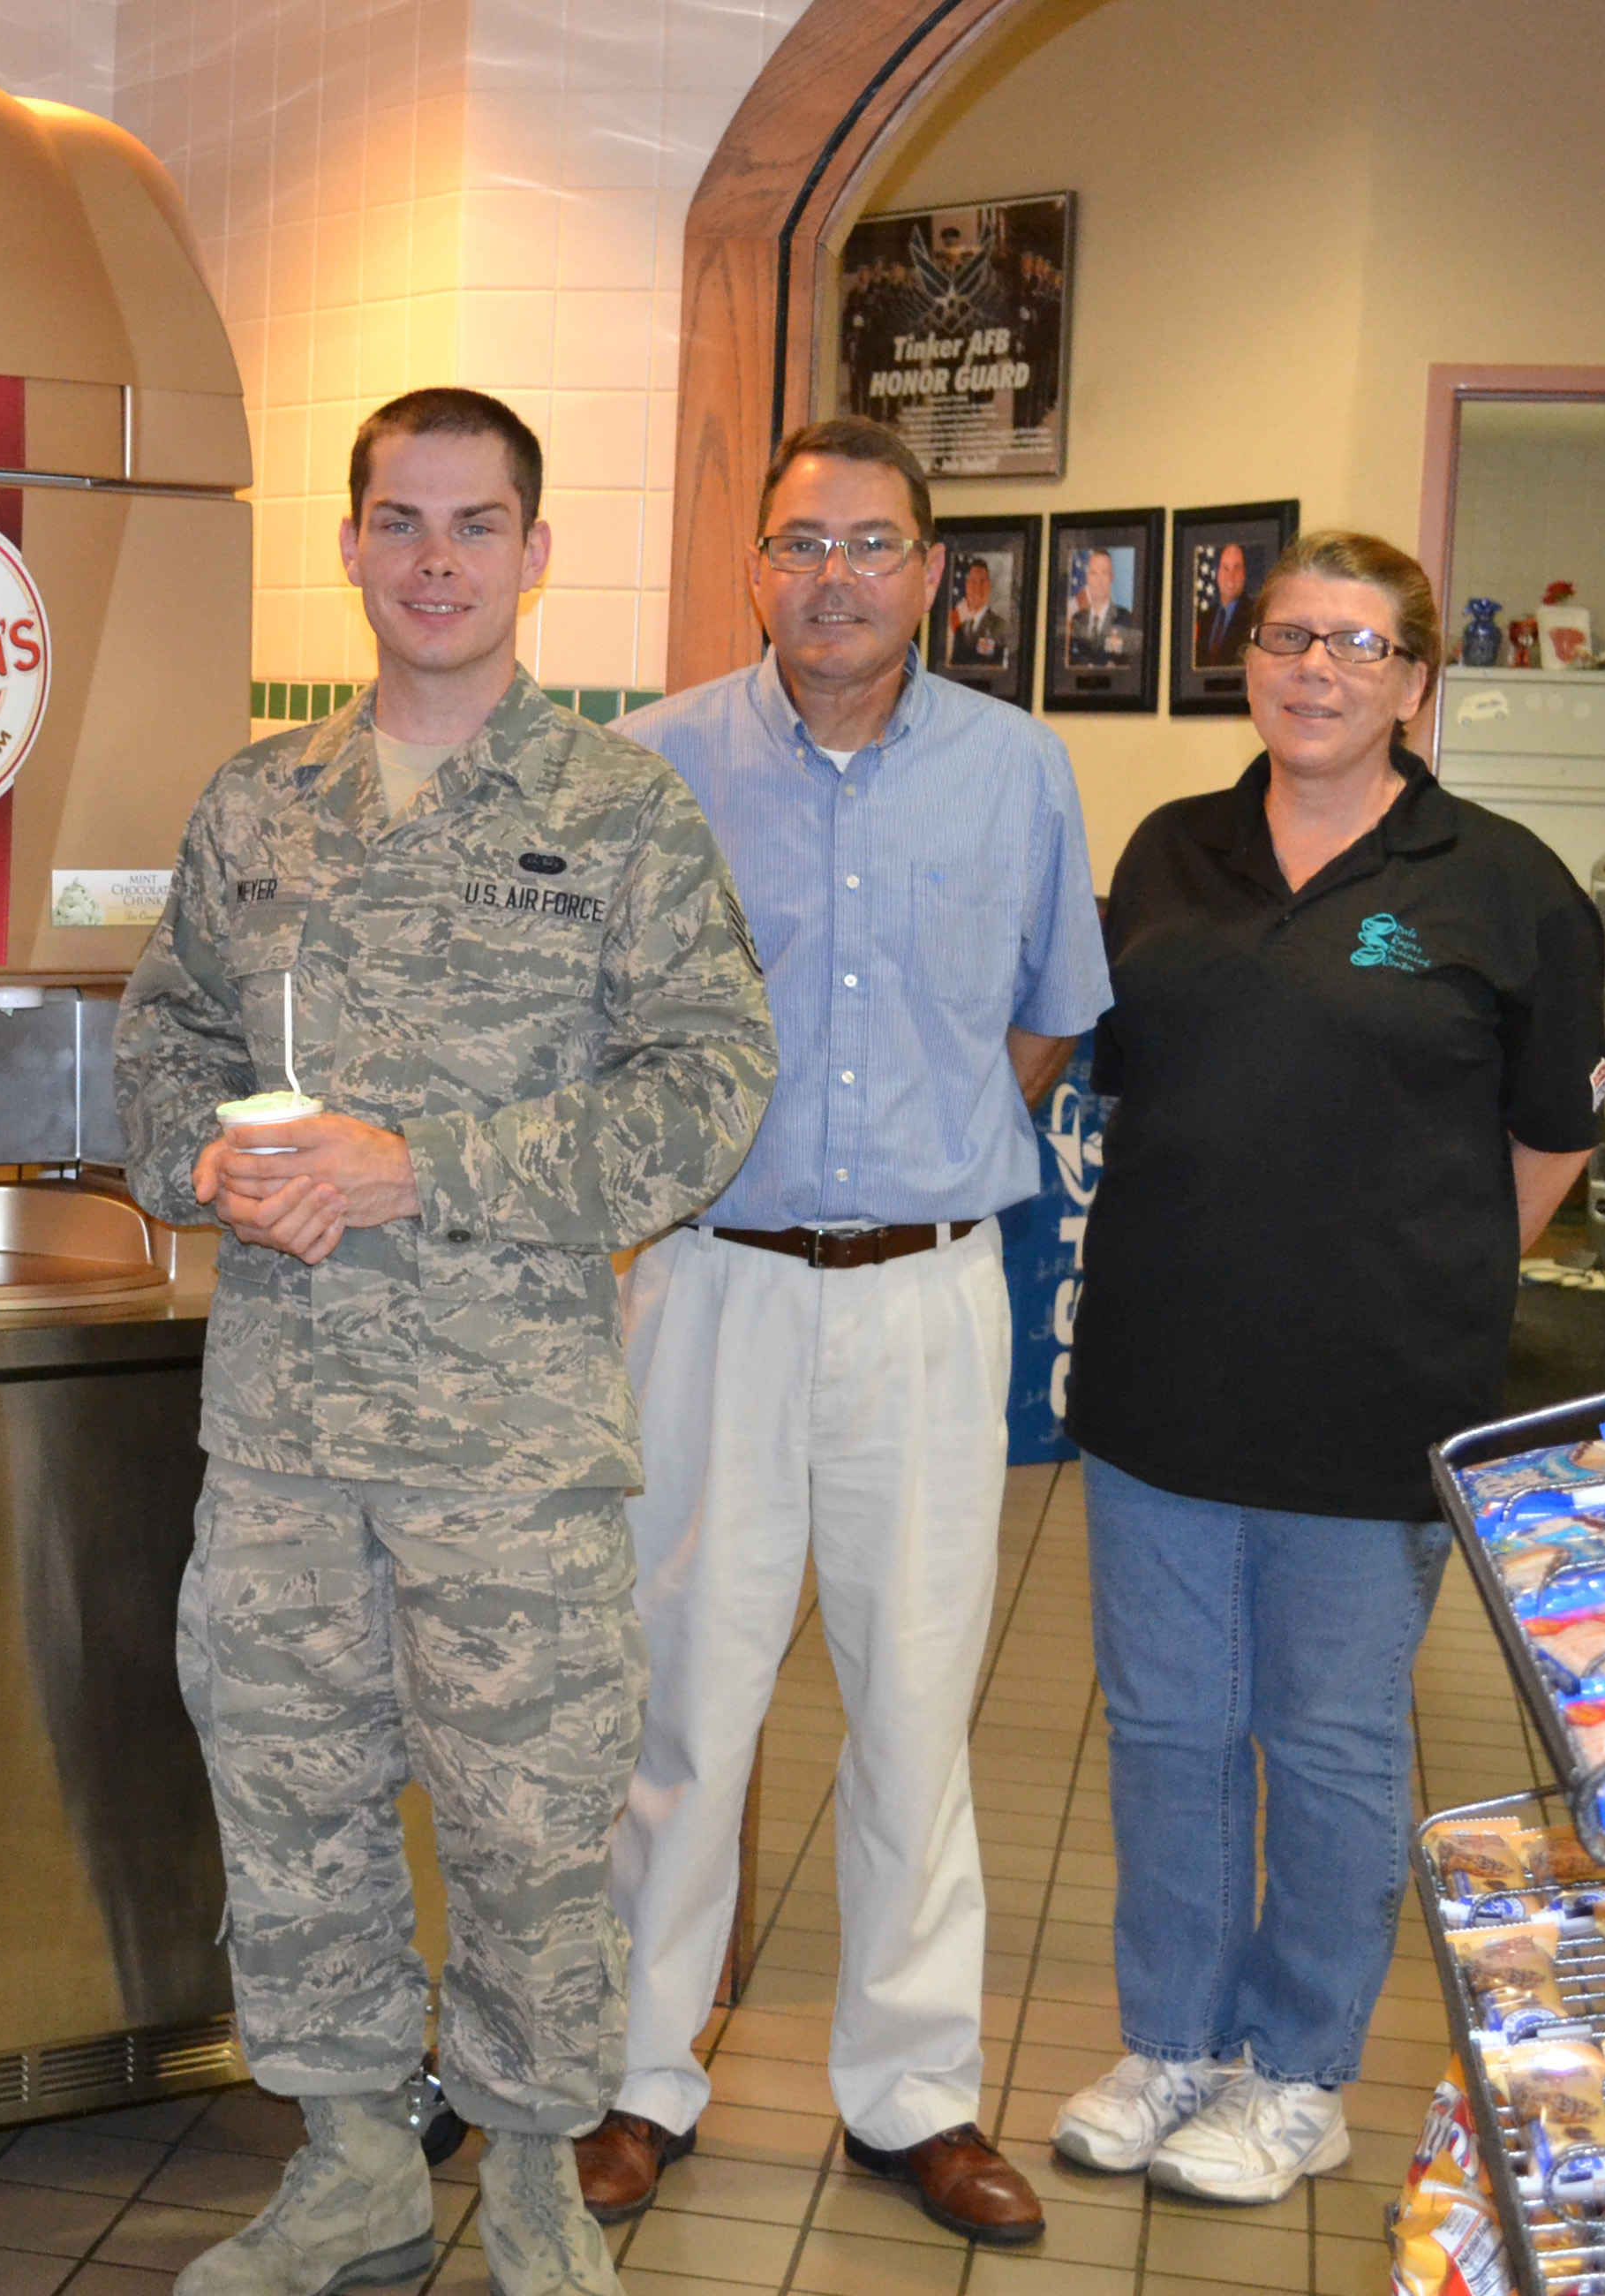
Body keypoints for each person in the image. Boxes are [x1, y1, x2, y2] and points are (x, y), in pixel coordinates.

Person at [116, 387, 775, 2296]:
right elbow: (161, 1055)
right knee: (295, 1808)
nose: (433, 560)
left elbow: (710, 1086)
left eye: (474, 525)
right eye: (398, 521)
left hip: (513, 1442)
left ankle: (542, 2183)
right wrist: (215, 1165)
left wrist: (427, 1166)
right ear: (345, 547)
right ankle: (346, 2164)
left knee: (531, 1828)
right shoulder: (257, 807)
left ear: (534, 554)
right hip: (289, 1438)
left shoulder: (614, 811)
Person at [576, 415, 1111, 2243]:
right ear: (753, 567)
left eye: (872, 543)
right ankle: (635, 2076)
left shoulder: (1019, 770)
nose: (835, 577)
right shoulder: (648, 769)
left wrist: (920, 1168)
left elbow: (1041, 1024)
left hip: (926, 1294)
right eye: (800, 541)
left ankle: (912, 2095)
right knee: (680, 1703)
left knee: (916, 1699)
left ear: (932, 571)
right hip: (709, 1285)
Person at [1052, 532, 1601, 2203]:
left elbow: (1540, 1150)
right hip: (1156, 1388)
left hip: (1370, 1406)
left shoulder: (1503, 885)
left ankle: (1296, 2075)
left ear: (1414, 683)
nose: (1315, 670)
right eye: (1289, 636)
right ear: (1247, 659)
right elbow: (1129, 1087)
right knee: (1164, 1732)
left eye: (1357, 647)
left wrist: (1395, 1281)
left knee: (1332, 1742)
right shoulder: (1167, 849)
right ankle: (1176, 2044)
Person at [1065, 546, 1139, 666]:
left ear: (1111, 577)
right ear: (1088, 578)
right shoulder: (1077, 619)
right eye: (1093, 573)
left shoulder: (1126, 619)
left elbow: (1130, 664)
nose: (1098, 580)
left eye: (1104, 573)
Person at [1194, 541, 1259, 668]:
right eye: (1226, 568)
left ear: (1244, 574)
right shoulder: (1207, 618)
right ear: (1218, 575)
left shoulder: (1254, 615)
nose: (1231, 576)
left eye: (1237, 568)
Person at [946, 557, 1011, 668]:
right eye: (973, 582)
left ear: (988, 586)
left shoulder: (1000, 625)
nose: (978, 587)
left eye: (982, 581)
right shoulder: (961, 629)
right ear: (967, 587)